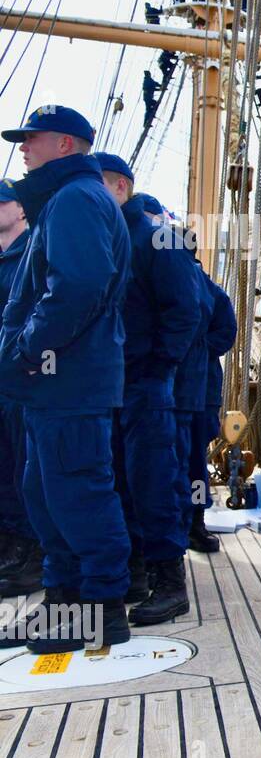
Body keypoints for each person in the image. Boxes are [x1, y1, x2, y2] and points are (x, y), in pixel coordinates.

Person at [0, 106, 132, 652]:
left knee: (78, 490)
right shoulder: (63, 198)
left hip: (71, 379)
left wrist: (32, 346)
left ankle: (102, 608)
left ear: (65, 146)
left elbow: (79, 284)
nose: (23, 148)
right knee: (45, 488)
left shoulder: (77, 199)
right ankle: (64, 598)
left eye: (32, 140)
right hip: (55, 386)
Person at [97, 156, 202, 611]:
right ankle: (135, 575)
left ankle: (170, 582)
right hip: (108, 384)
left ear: (120, 187)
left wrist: (160, 367)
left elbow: (185, 310)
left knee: (153, 481)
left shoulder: (157, 240)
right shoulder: (105, 240)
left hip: (146, 383)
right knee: (117, 479)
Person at [129, 229, 211, 627]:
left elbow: (218, 328)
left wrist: (168, 363)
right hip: (143, 388)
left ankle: (188, 534)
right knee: (139, 480)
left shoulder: (202, 285)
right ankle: (136, 567)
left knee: (175, 474)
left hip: (176, 391)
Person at [0, 179, 42, 600]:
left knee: (25, 472)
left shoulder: (32, 252)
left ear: (19, 210)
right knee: (5, 469)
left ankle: (30, 552)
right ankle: (10, 545)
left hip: (22, 382)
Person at [189, 250, 236, 553]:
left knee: (194, 462)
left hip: (201, 391)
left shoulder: (213, 295)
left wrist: (192, 348)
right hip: (175, 392)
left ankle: (195, 522)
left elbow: (226, 334)